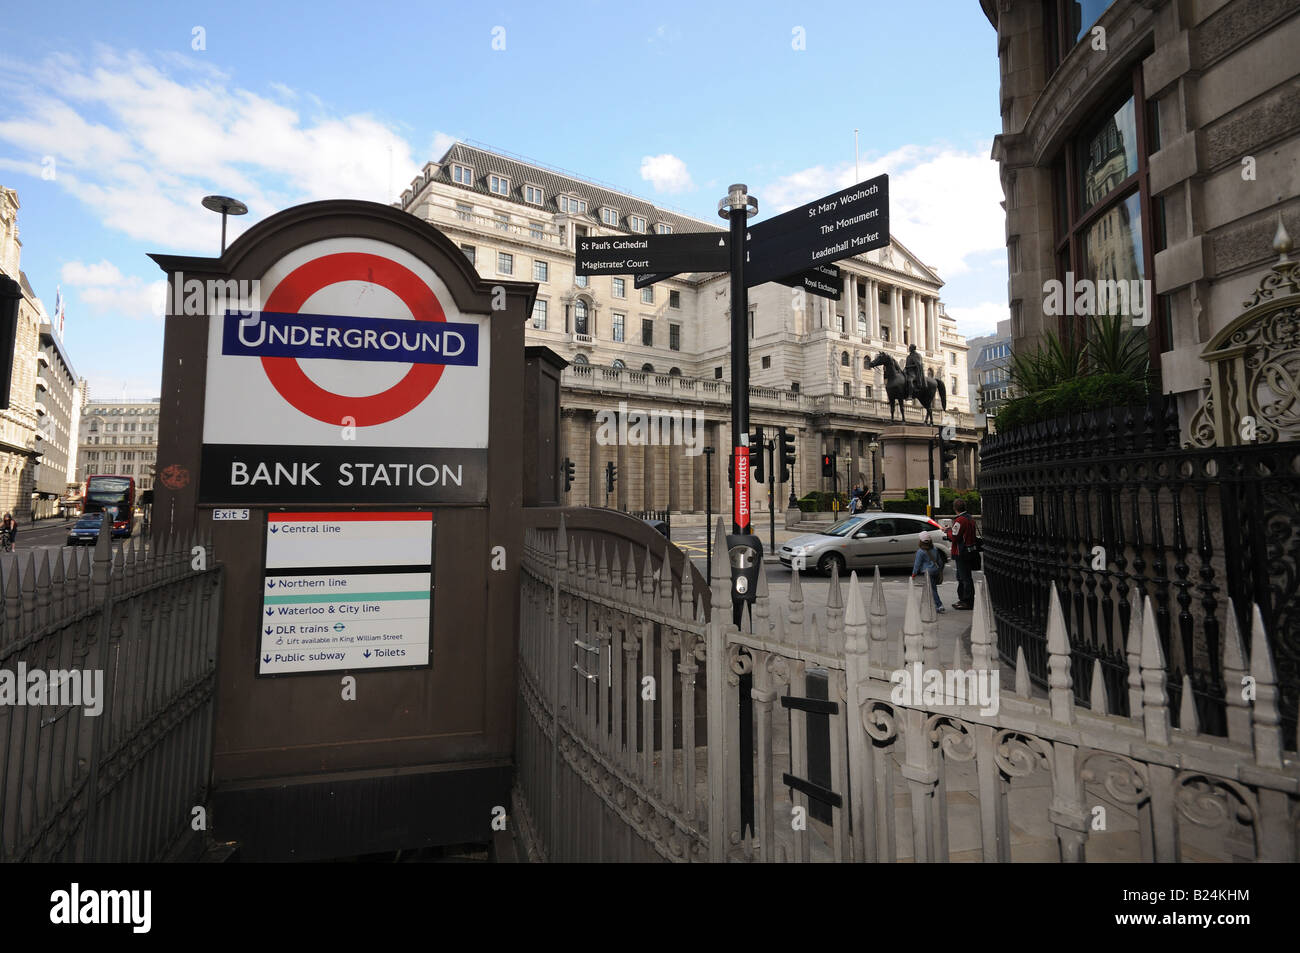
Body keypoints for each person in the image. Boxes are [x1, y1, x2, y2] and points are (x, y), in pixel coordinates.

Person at [945, 498, 978, 610]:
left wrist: (948, 531)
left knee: (964, 578)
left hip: (961, 552)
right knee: (963, 577)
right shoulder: (970, 518)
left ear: (955, 508)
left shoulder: (960, 520)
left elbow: (955, 537)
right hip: (969, 551)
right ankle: (964, 599)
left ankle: (967, 601)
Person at [911, 531, 945, 613]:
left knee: (932, 589)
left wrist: (914, 573)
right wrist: (940, 570)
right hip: (935, 571)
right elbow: (940, 561)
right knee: (933, 588)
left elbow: (917, 564)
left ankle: (939, 605)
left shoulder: (920, 551)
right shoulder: (935, 549)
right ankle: (931, 604)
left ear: (920, 541)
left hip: (927, 572)